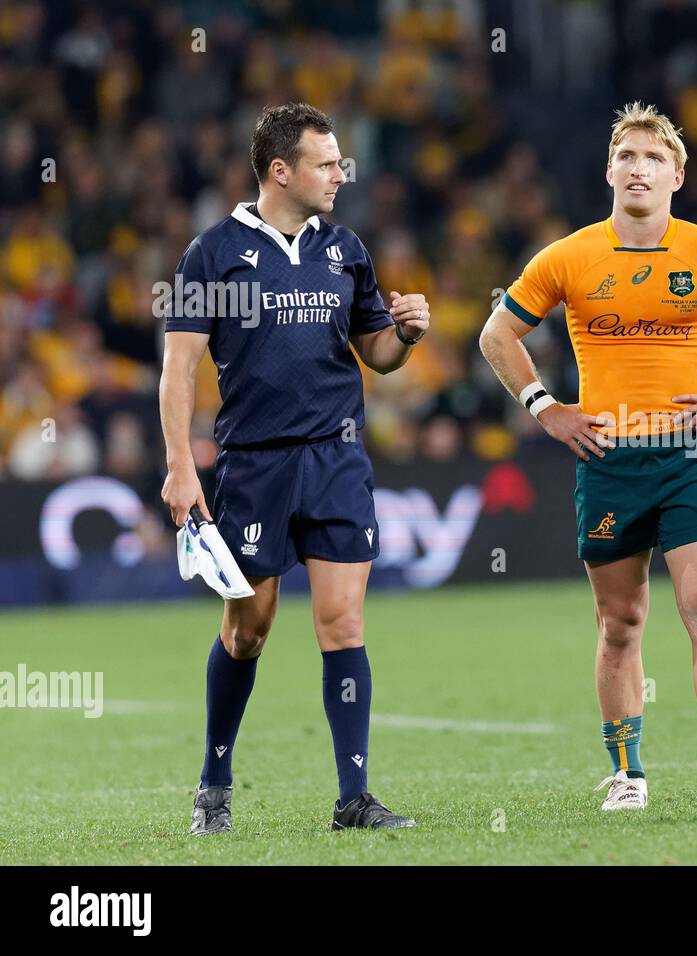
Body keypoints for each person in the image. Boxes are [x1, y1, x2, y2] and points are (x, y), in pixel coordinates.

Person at [478, 102, 697, 810]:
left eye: (653, 158)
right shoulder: (568, 256)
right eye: (627, 156)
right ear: (609, 170)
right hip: (608, 462)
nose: (638, 167)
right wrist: (547, 408)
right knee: (621, 624)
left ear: (676, 176)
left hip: (690, 456)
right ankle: (628, 775)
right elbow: (497, 336)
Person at [160, 103, 430, 832]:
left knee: (342, 621)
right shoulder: (210, 254)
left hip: (338, 457)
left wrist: (405, 336)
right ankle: (214, 781)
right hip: (254, 465)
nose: (342, 172)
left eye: (341, 160)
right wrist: (181, 466)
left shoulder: (346, 248)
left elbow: (376, 354)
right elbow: (179, 369)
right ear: (280, 171)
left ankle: (354, 798)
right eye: (327, 161)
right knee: (249, 629)